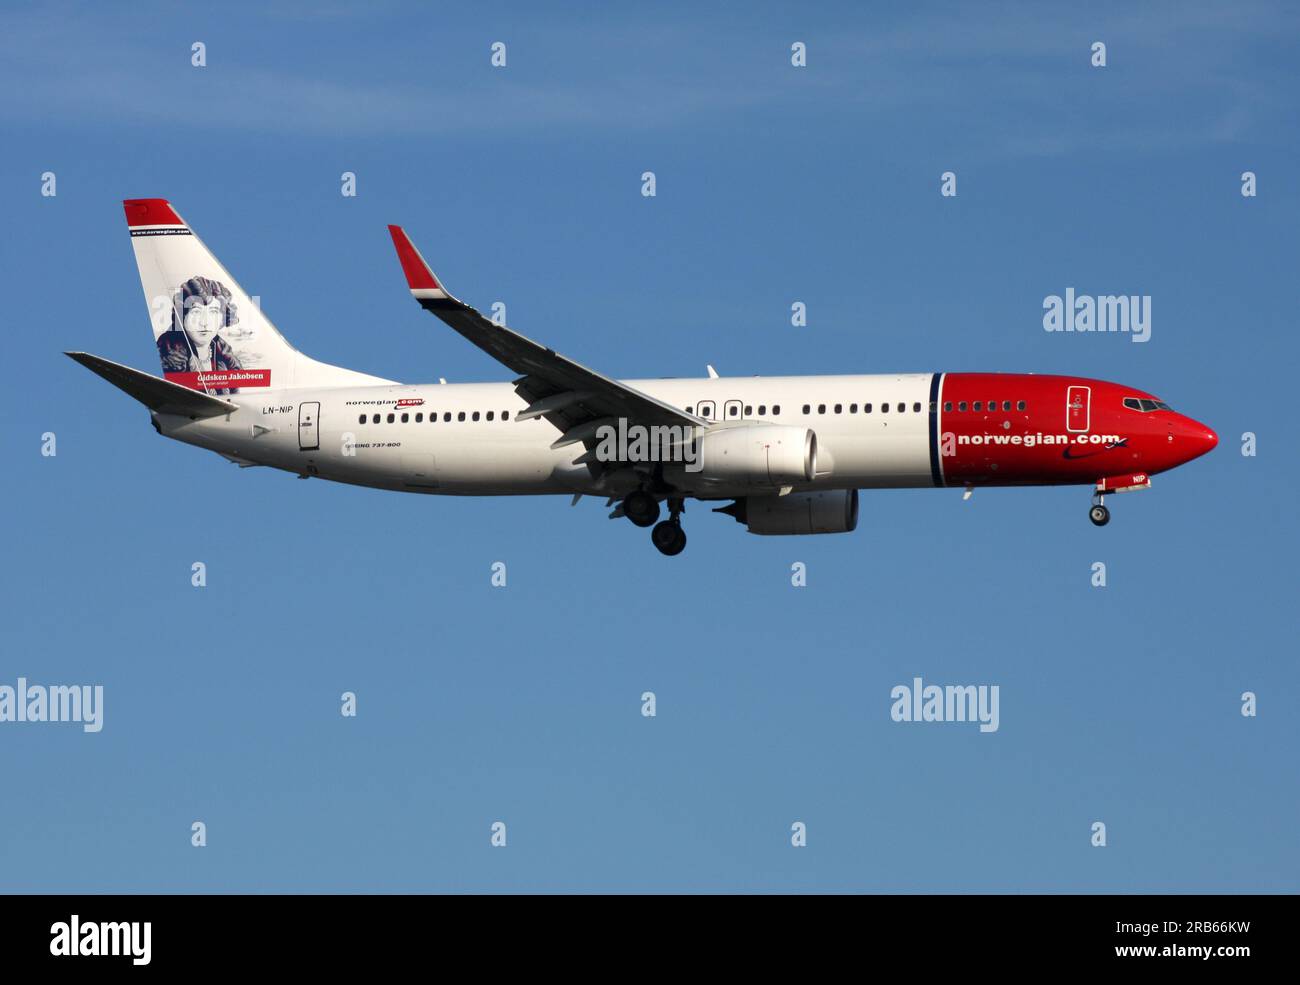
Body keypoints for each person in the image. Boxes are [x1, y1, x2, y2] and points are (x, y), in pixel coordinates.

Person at [156, 276, 244, 394]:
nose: (204, 322)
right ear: (183, 316)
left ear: (223, 318)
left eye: (213, 312)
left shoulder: (226, 357)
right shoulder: (168, 355)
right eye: (196, 312)